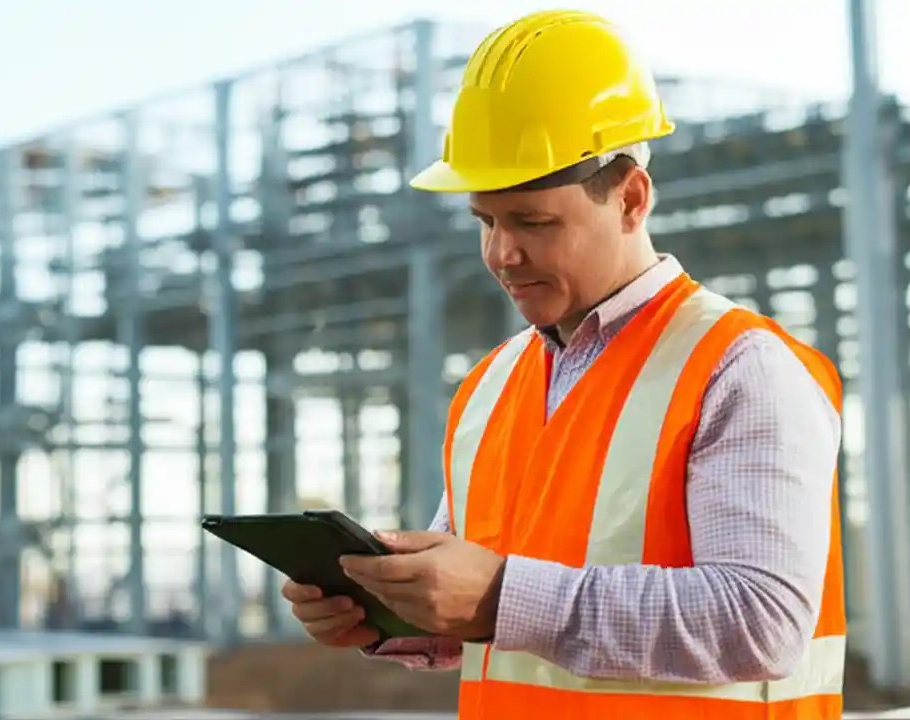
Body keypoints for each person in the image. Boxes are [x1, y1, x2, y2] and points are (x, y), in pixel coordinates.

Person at [281, 9, 846, 720]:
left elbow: (760, 621)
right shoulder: (491, 385)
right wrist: (384, 611)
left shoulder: (739, 367)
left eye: (534, 222)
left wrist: (499, 596)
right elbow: (482, 603)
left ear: (630, 198)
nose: (501, 254)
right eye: (486, 221)